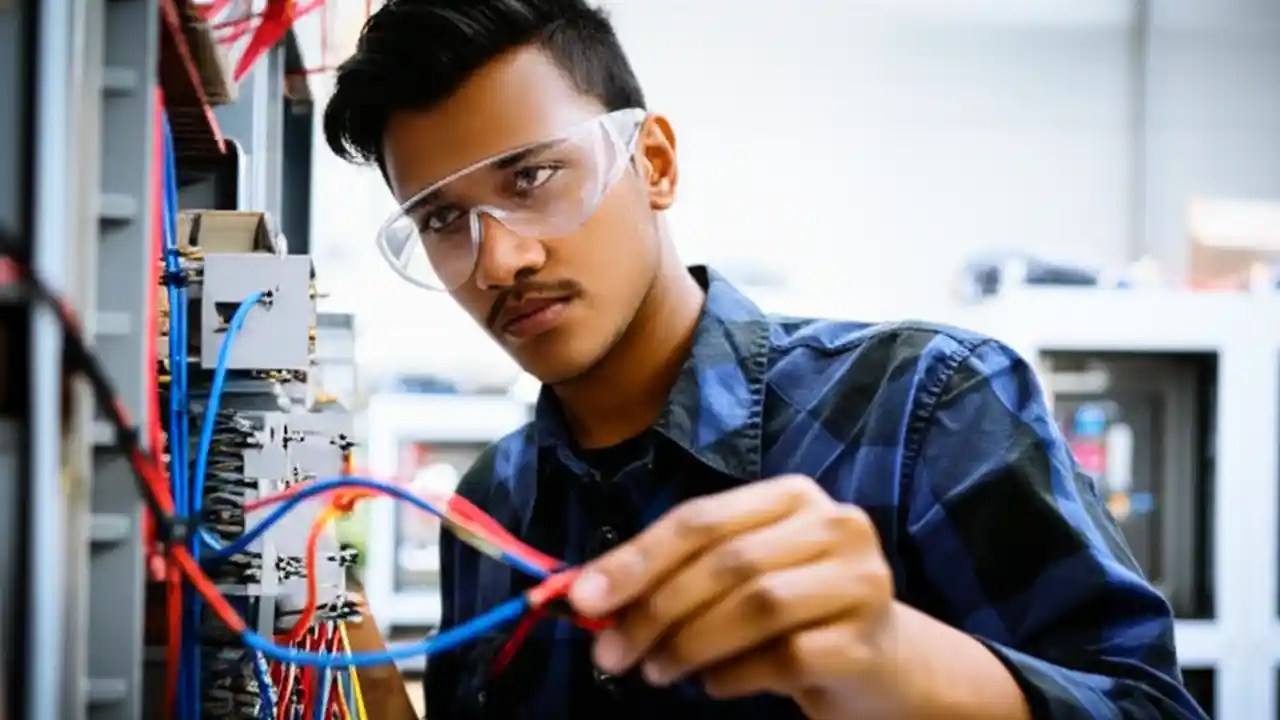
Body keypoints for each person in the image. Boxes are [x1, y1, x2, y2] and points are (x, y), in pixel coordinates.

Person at [324, 1, 1207, 718]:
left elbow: (1146, 707)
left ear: (655, 164)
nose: (499, 261)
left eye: (531, 179)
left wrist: (896, 661)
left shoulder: (924, 408)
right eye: (443, 219)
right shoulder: (490, 509)